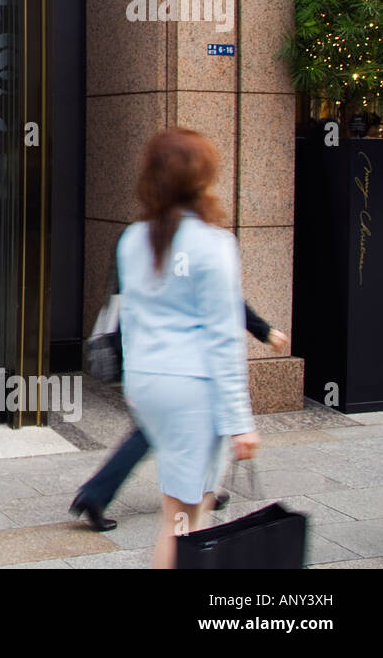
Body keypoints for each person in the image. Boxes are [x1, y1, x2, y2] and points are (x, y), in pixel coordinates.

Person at [113, 127, 259, 569]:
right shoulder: (214, 244)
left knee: (183, 513)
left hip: (150, 385)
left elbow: (131, 320)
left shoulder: (132, 240)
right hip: (193, 391)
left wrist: (136, 385)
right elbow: (223, 336)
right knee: (183, 522)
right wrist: (242, 422)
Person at [71, 307, 288, 531]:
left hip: (155, 361)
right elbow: (226, 298)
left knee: (153, 431)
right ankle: (98, 494)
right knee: (176, 429)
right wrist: (264, 331)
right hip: (185, 364)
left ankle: (97, 494)